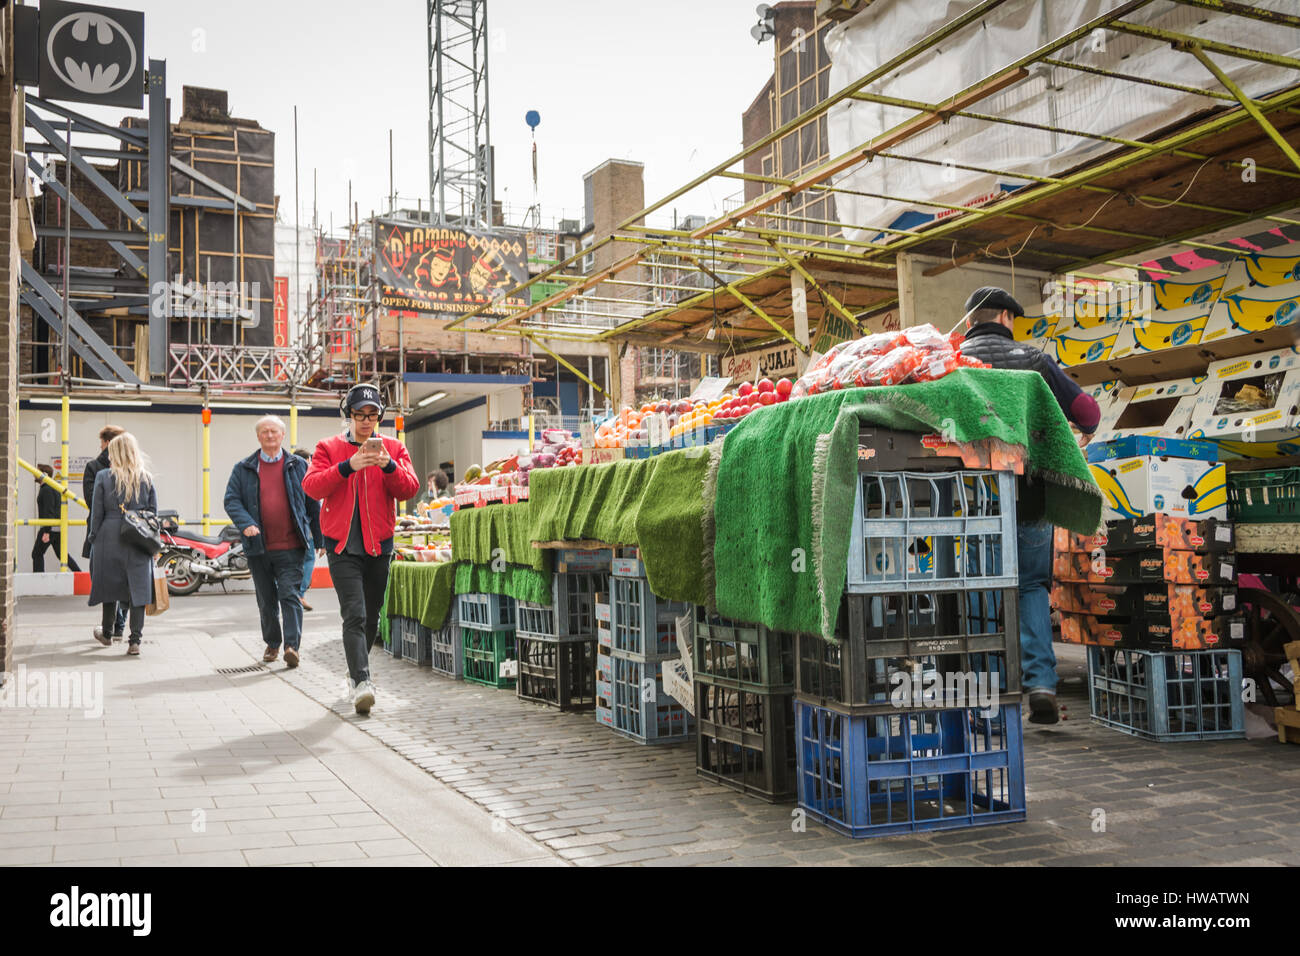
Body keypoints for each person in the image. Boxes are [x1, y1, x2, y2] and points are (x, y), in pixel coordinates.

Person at [958, 286, 1101, 726]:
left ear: (969, 323)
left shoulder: (949, 364)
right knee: (1030, 587)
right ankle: (1040, 681)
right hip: (1028, 497)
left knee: (978, 589)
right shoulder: (1033, 361)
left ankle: (988, 698)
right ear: (1006, 319)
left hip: (969, 500)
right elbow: (1088, 413)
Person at [303, 384, 419, 715]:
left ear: (379, 416)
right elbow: (312, 486)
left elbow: (409, 488)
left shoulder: (394, 448)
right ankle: (363, 681)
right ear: (349, 416)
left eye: (372, 415)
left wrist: (388, 466)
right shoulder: (328, 447)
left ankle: (355, 673)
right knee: (353, 613)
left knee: (372, 616)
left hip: (379, 544)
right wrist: (348, 466)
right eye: (359, 415)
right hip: (341, 546)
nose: (366, 422)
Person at [225, 417, 323, 669]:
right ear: (258, 437)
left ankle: (292, 646)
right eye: (264, 432)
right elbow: (231, 500)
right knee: (266, 600)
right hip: (259, 547)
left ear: (282, 435)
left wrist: (320, 538)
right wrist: (245, 522)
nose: (269, 435)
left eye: (274, 431)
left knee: (290, 595)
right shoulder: (244, 468)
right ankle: (272, 642)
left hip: (292, 546)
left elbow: (313, 503)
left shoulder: (299, 465)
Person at [86, 432, 157, 656]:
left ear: (114, 453)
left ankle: (107, 634)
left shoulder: (104, 477)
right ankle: (134, 641)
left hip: (109, 534)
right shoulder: (145, 477)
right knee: (138, 588)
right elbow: (153, 513)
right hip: (138, 537)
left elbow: (96, 512)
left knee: (110, 586)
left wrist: (93, 536)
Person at [84, 424, 126, 641]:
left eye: (101, 442)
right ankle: (118, 625)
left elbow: (92, 500)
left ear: (107, 443)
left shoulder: (95, 468)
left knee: (109, 579)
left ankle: (115, 627)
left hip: (102, 532)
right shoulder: (97, 468)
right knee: (107, 579)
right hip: (116, 531)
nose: (100, 446)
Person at [291, 448, 325, 612]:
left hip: (286, 530)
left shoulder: (285, 476)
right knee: (308, 558)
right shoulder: (308, 478)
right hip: (305, 528)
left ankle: (290, 594)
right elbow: (315, 509)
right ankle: (299, 594)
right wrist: (321, 540)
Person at [32, 464, 82, 573]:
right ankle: (80, 575)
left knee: (37, 554)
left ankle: (39, 582)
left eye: (36, 471)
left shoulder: (46, 489)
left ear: (44, 475)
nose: (34, 473)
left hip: (50, 529)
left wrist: (46, 531)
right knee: (62, 555)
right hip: (57, 528)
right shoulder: (54, 487)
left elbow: (48, 511)